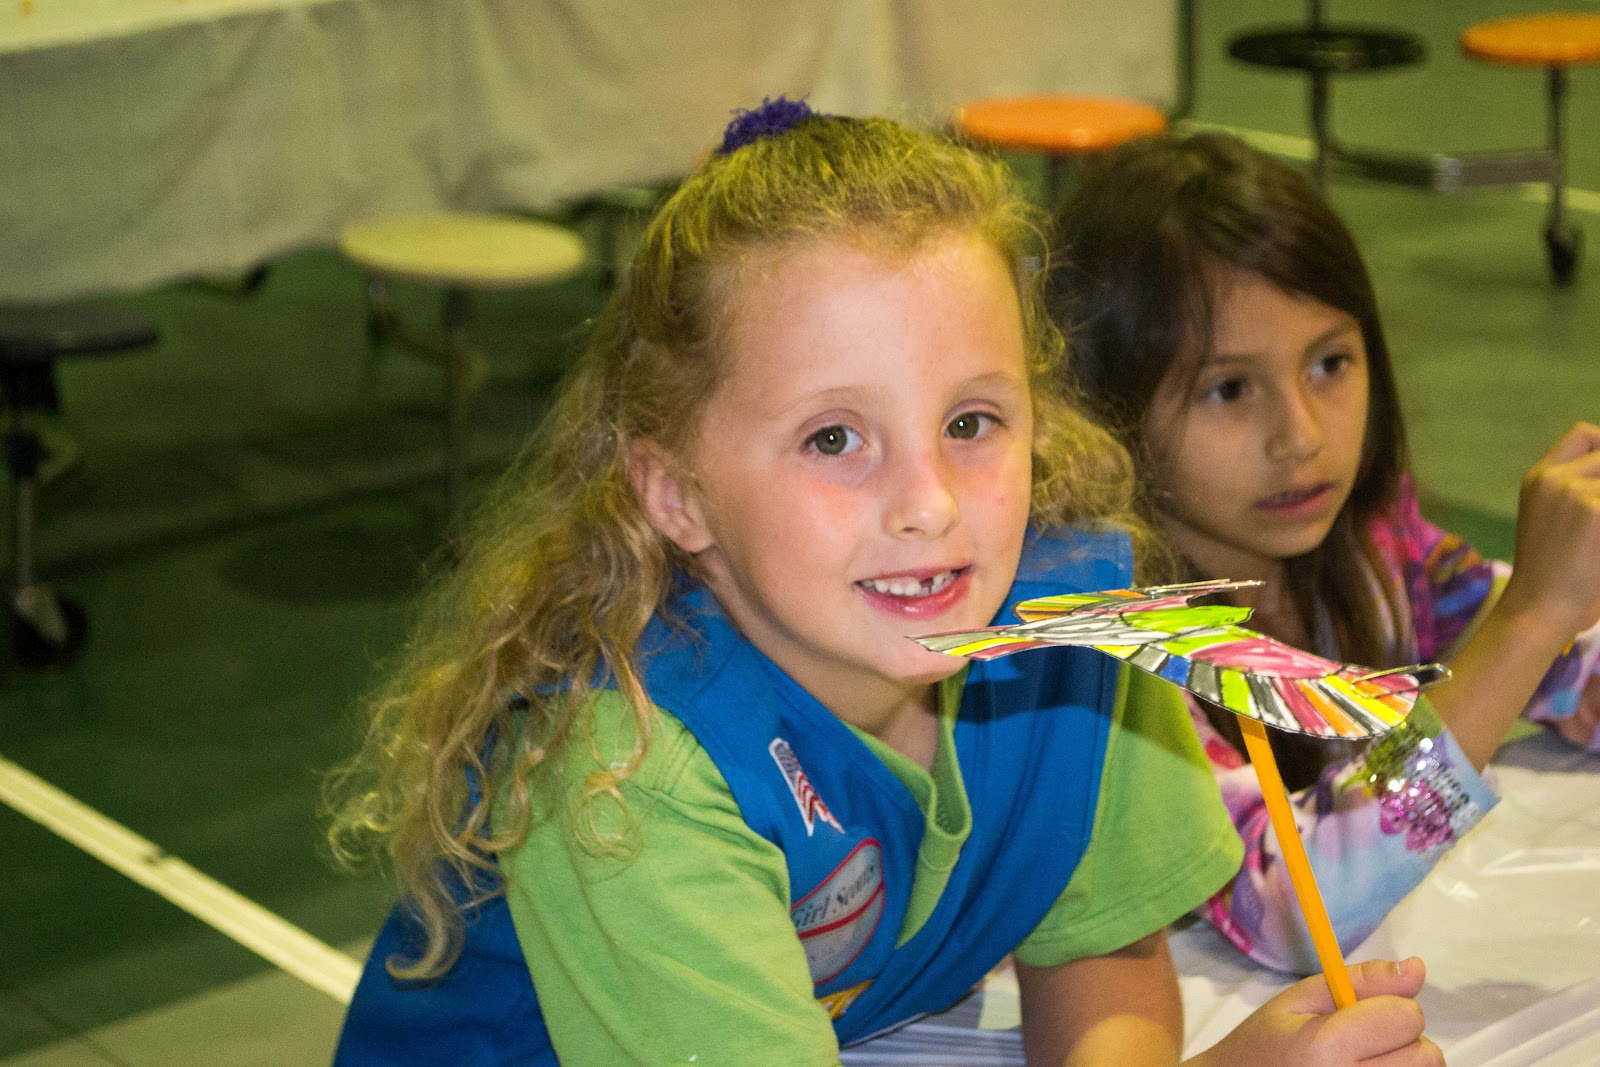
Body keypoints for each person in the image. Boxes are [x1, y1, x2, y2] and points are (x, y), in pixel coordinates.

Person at [326, 103, 1439, 1065]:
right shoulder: (628, 781)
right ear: (675, 494)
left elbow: (1102, 945)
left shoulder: (1084, 632)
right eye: (832, 438)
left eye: (970, 422)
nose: (929, 503)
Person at [1046, 130, 1600, 975]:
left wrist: (1554, 638)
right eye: (1229, 388)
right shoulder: (1116, 655)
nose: (1300, 436)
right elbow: (1295, 906)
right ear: (1106, 410)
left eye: (1331, 363)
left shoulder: (1380, 547)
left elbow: (1558, 663)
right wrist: (1530, 621)